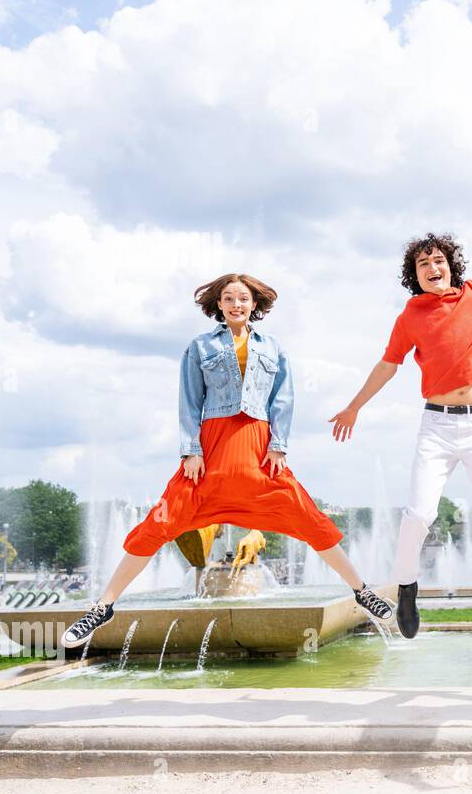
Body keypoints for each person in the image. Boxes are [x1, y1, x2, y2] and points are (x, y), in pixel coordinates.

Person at [61, 273, 392, 649]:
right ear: (218, 304)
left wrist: (278, 446)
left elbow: (283, 399)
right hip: (210, 450)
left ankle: (361, 590)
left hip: (260, 449)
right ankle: (103, 606)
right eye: (229, 298)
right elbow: (189, 400)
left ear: (255, 305)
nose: (237, 304)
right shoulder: (200, 346)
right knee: (160, 521)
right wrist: (191, 450)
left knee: (309, 519)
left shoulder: (273, 348)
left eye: (244, 299)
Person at [330, 174, 472, 639]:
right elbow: (387, 365)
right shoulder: (410, 316)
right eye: (422, 263)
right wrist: (354, 406)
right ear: (413, 276)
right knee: (418, 514)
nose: (431, 266)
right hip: (436, 426)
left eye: (438, 259)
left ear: (451, 266)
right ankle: (407, 590)